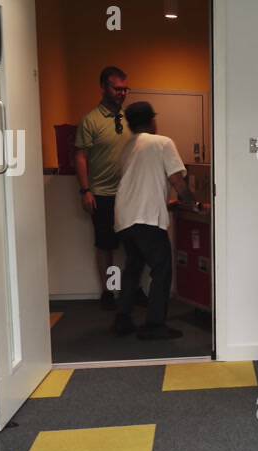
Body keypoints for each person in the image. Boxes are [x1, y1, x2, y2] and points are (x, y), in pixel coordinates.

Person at [111, 101, 198, 340]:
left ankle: (123, 319)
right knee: (162, 269)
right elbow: (177, 181)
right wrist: (193, 203)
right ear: (152, 120)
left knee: (133, 267)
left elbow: (138, 184)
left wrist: (165, 204)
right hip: (145, 220)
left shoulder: (127, 147)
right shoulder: (162, 143)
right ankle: (154, 325)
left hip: (124, 217)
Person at [75, 66, 147, 310]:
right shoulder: (91, 120)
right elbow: (81, 156)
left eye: (125, 89)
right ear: (104, 87)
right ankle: (108, 292)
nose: (122, 93)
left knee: (134, 245)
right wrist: (85, 190)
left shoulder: (130, 119)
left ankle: (134, 289)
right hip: (102, 195)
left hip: (130, 194)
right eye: (117, 88)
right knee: (106, 245)